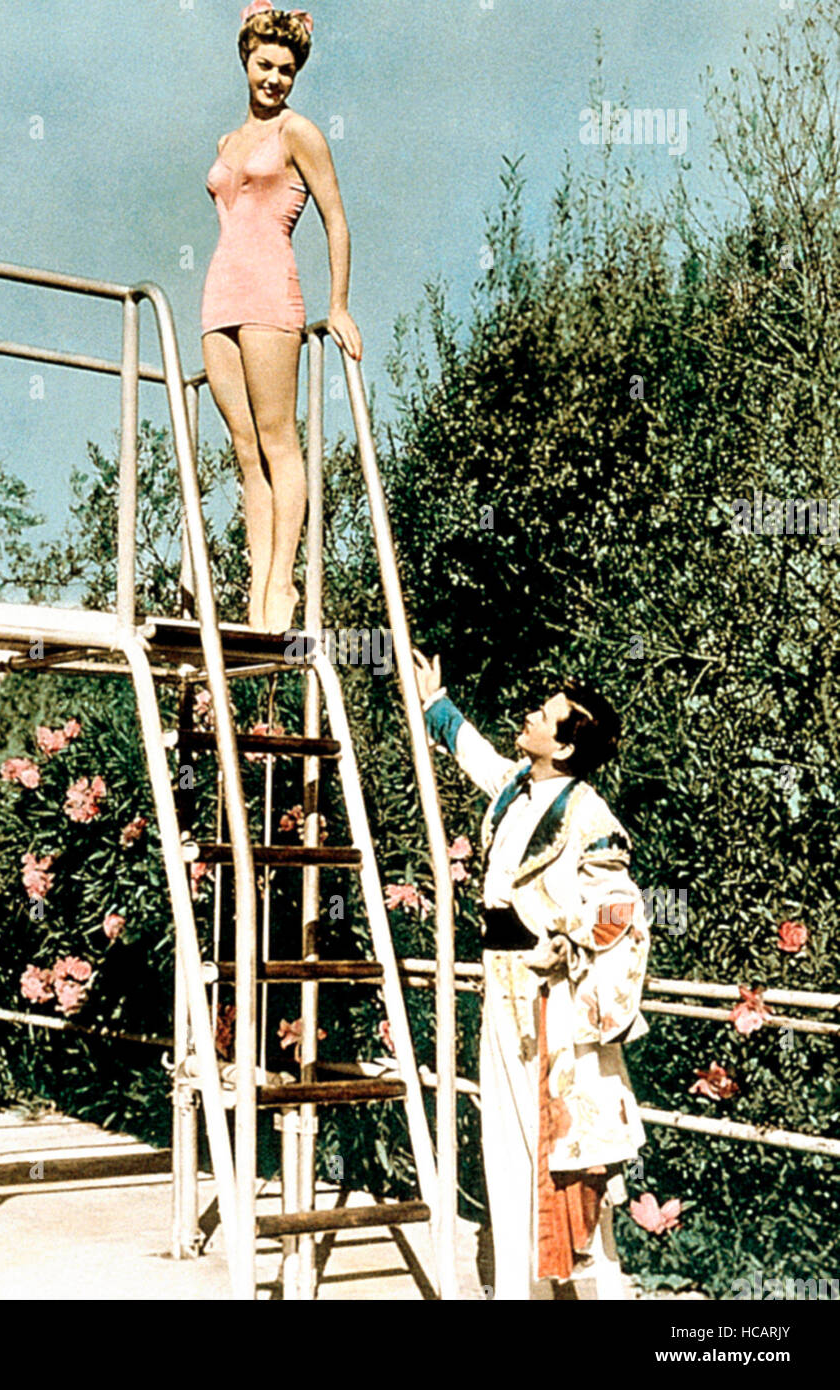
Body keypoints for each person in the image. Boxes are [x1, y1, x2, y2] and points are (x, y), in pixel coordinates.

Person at [413, 650, 650, 1300]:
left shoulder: (587, 815)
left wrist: (566, 942)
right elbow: (482, 762)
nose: (529, 717)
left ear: (566, 748)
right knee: (506, 1149)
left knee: (564, 1153)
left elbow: (619, 908)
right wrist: (438, 707)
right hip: (501, 987)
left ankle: (592, 1290)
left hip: (551, 1002)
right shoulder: (518, 788)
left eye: (543, 717)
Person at [201, 2, 362, 633]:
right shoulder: (226, 142)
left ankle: (280, 582)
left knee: (277, 439)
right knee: (244, 451)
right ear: (246, 60)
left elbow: (336, 218)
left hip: (272, 288)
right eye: (266, 65)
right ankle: (256, 582)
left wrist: (338, 304)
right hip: (221, 292)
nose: (275, 79)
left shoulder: (299, 132)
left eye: (287, 70)